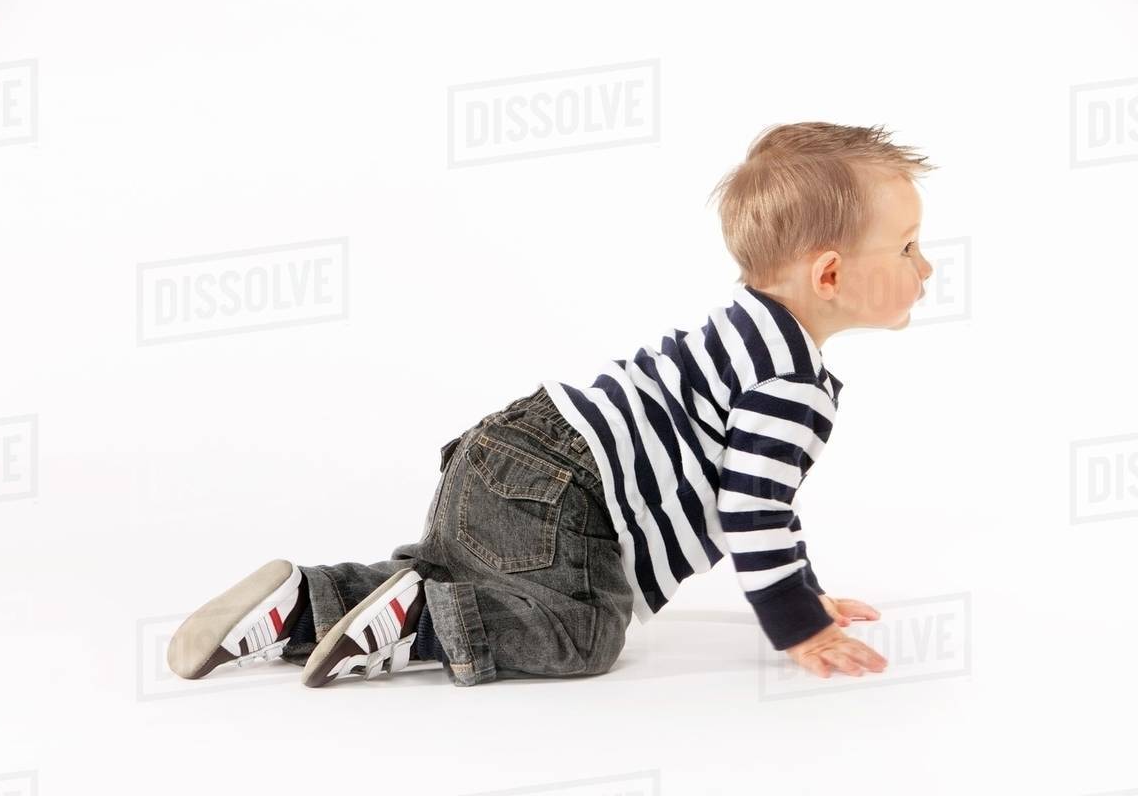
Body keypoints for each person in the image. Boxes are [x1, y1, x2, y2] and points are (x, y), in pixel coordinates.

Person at [167, 121, 934, 687]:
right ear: (829, 275)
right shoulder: (788, 383)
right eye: (906, 248)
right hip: (569, 501)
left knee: (457, 568)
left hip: (513, 446)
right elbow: (754, 513)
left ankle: (305, 599)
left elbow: (769, 507)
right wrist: (798, 625)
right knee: (584, 633)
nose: (925, 265)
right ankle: (426, 622)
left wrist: (802, 585)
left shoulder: (741, 333)